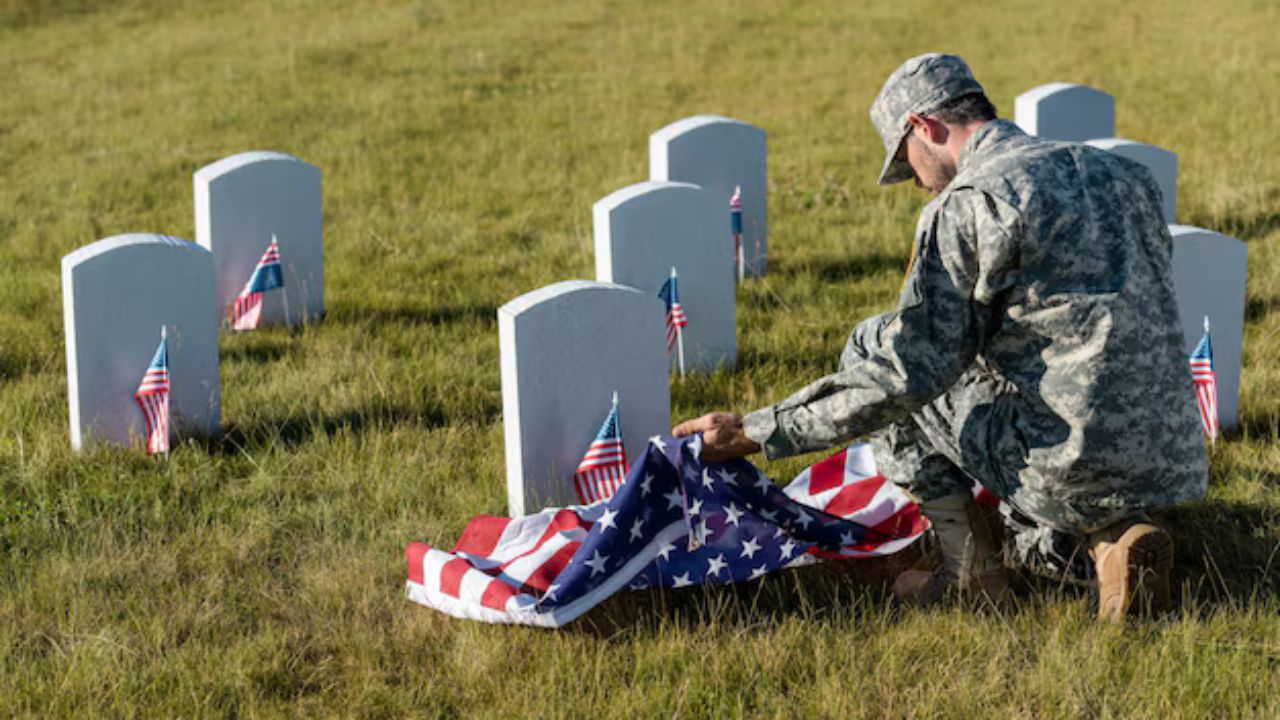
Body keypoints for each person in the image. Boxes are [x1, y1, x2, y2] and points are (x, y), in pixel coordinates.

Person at [673, 53, 1208, 620]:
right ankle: (1112, 539)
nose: (919, 185)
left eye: (908, 164)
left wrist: (757, 431)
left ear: (923, 127)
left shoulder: (970, 202)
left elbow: (905, 371)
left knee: (873, 345)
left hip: (1068, 457)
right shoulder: (1128, 177)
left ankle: (972, 572)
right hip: (1172, 453)